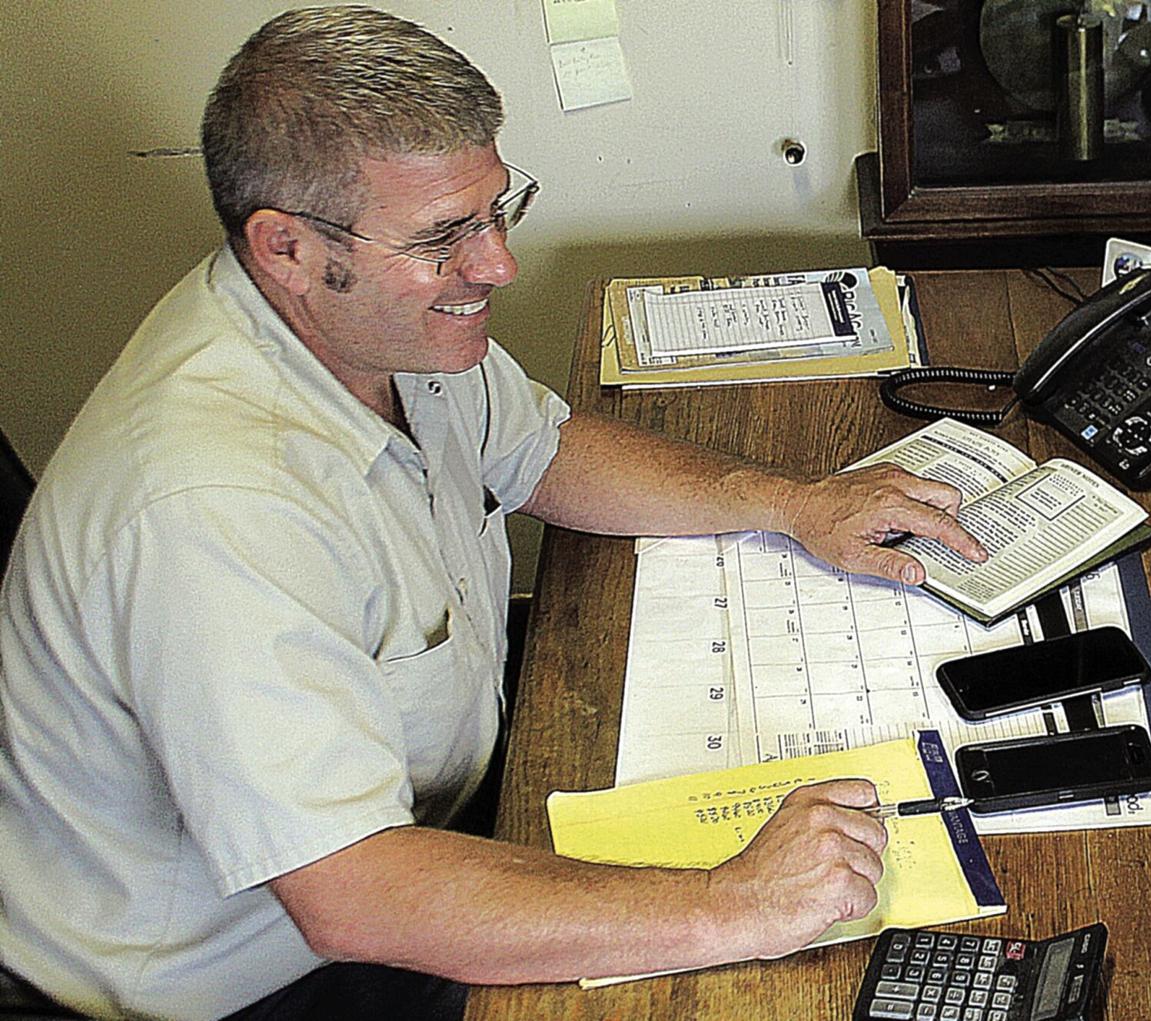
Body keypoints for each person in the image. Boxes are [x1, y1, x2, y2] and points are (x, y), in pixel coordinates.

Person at [0, 7, 987, 1020]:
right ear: (286, 247)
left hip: (432, 827)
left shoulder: (374, 326)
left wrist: (793, 503)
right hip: (246, 978)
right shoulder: (207, 510)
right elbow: (353, 896)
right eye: (441, 239)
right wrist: (738, 903)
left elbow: (543, 450)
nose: (497, 266)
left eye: (494, 210)